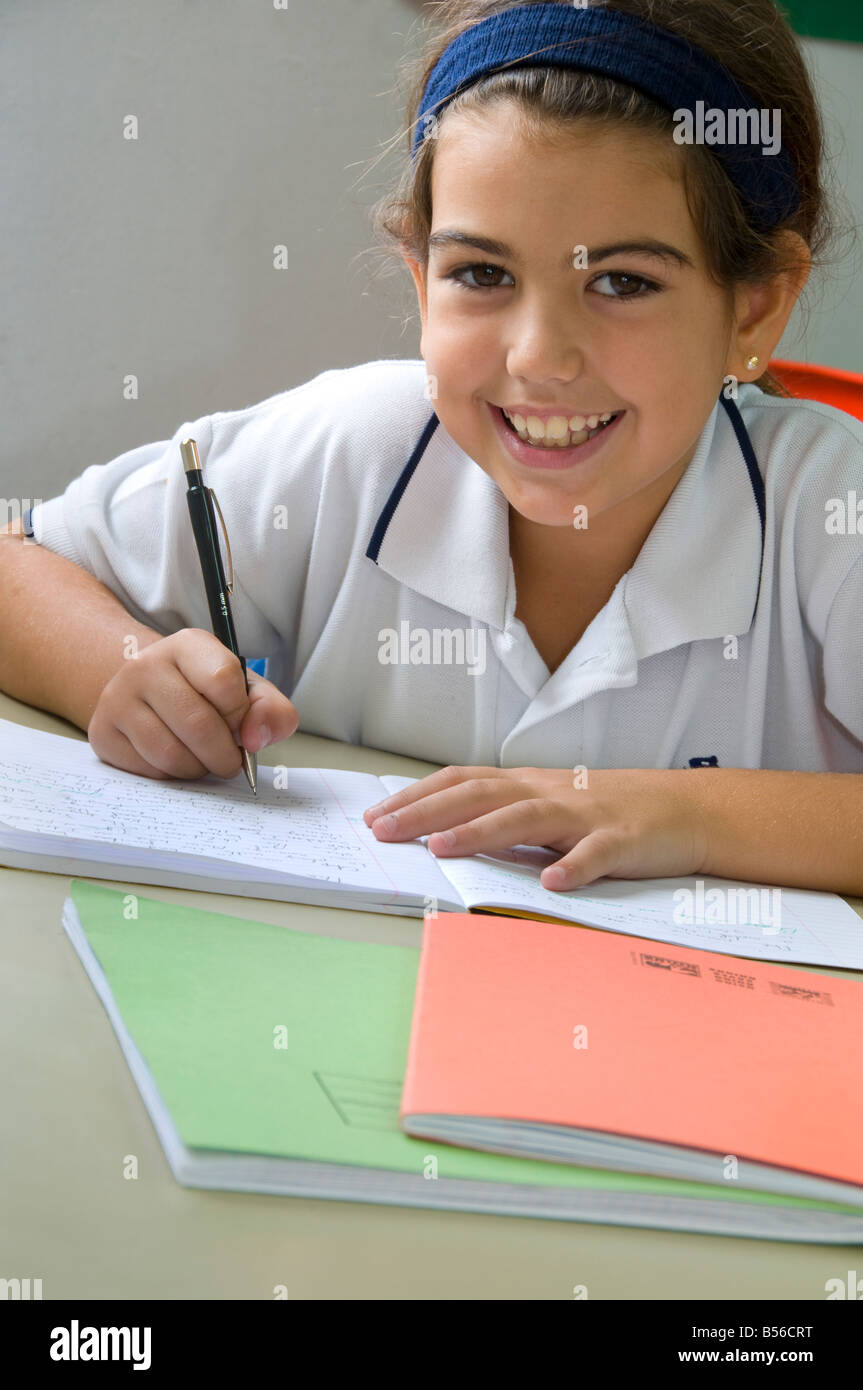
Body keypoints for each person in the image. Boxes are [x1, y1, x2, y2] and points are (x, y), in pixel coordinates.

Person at [2, 0, 862, 894]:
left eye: (621, 281)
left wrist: (680, 813)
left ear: (753, 308)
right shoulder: (355, 449)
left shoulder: (829, 513)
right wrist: (124, 670)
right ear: (421, 283)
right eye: (481, 274)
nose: (537, 358)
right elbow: (15, 562)